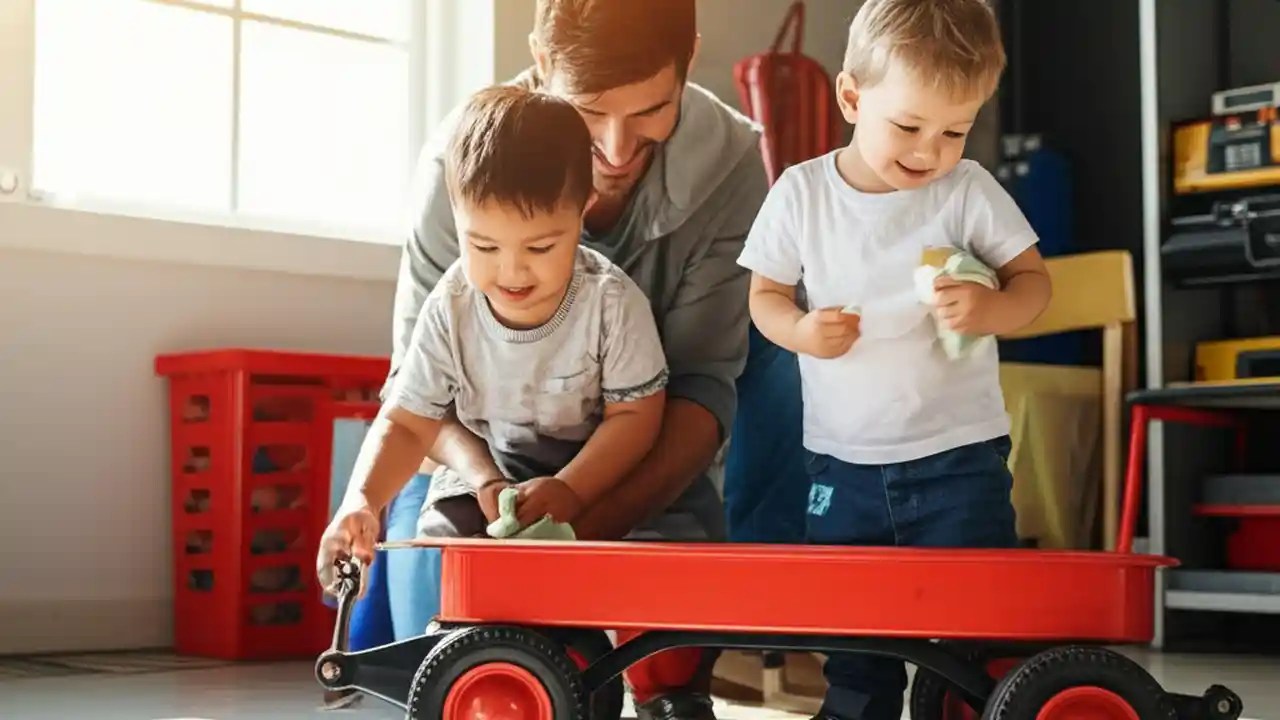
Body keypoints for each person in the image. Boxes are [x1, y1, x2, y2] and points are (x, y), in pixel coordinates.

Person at [338, 2, 777, 718]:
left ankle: (716, 644)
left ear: (689, 61)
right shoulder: (462, 165)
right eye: (588, 111)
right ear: (542, 63)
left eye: (650, 111)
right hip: (481, 460)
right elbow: (414, 405)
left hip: (633, 456)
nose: (614, 148)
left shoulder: (633, 278)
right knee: (442, 649)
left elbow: (691, 394)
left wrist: (573, 533)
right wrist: (437, 493)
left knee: (644, 640)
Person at [736, 1, 1052, 719]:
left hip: (958, 455)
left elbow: (1034, 284)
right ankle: (854, 708)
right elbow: (764, 297)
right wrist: (801, 331)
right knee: (854, 624)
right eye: (908, 126)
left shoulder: (966, 189)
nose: (929, 150)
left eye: (955, 130)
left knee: (977, 616)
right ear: (852, 96)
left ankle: (968, 704)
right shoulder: (802, 194)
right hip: (842, 459)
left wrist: (993, 309)